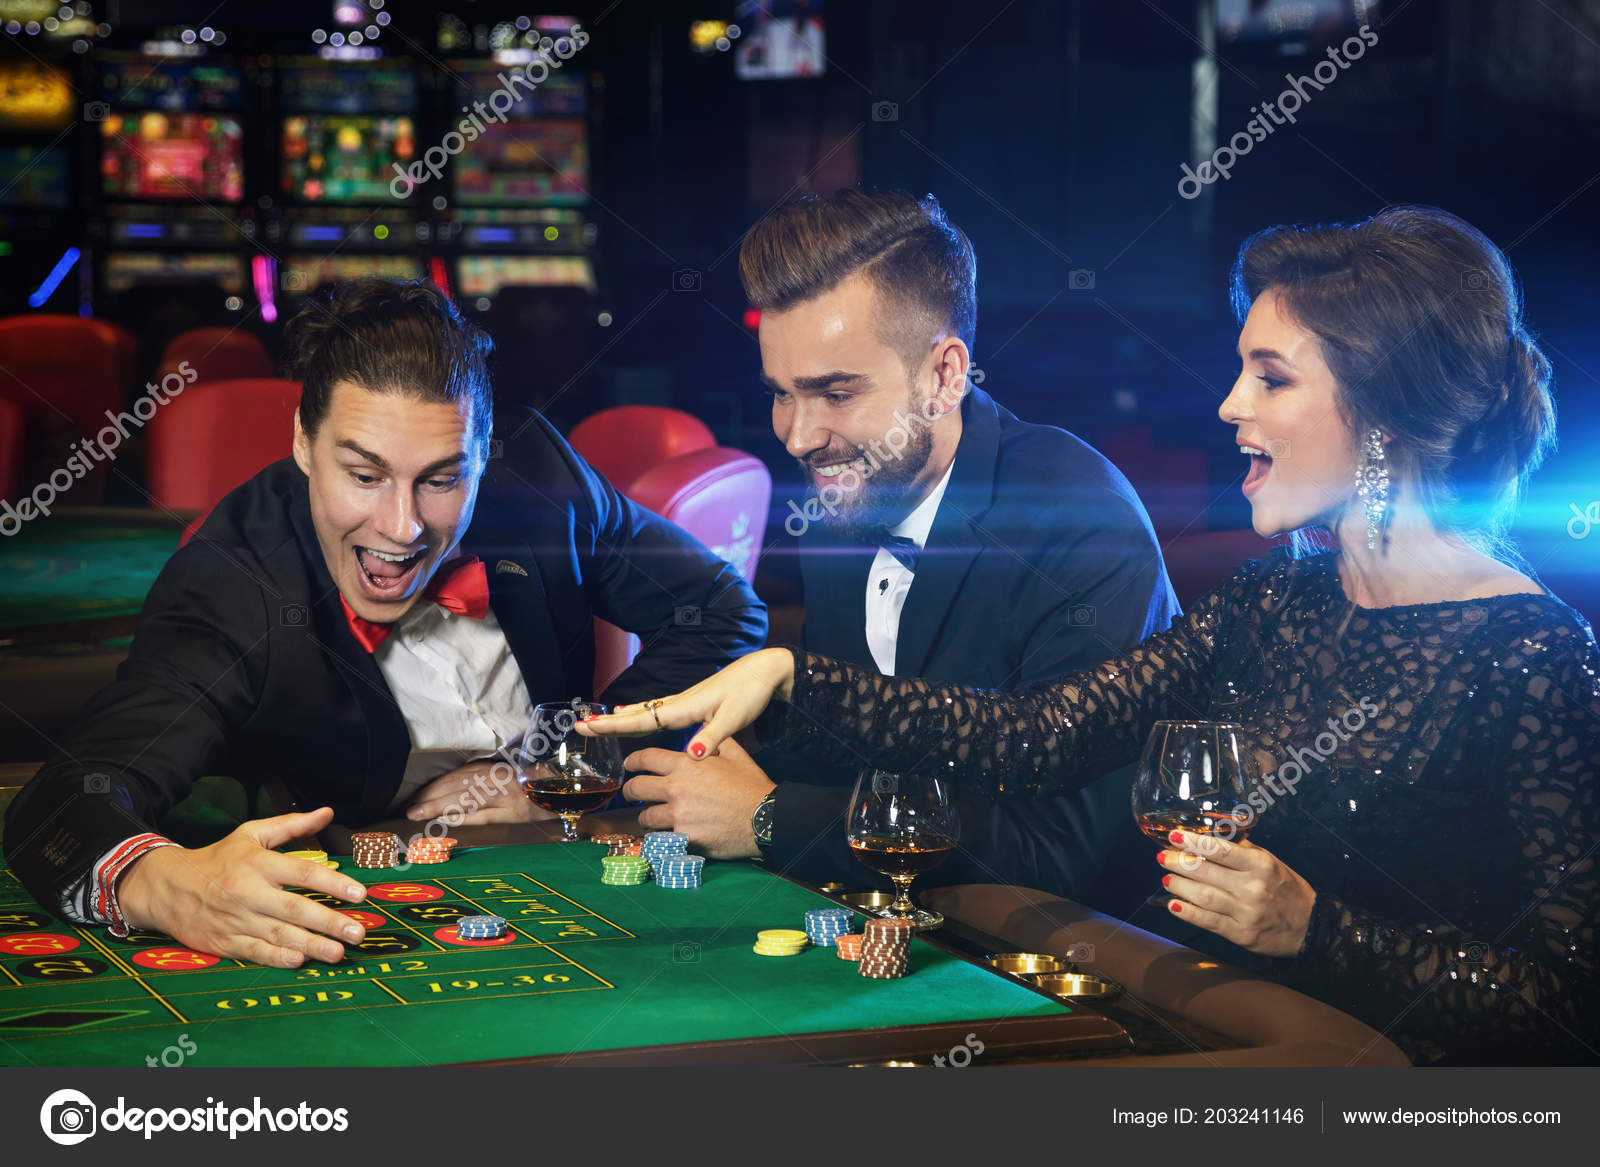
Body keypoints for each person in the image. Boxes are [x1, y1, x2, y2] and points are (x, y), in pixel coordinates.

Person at [581, 206, 1599, 1066]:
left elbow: (1566, 1011)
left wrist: (1315, 929)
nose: (1228, 403)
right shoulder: (1275, 598)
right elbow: (1038, 735)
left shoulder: (1538, 661)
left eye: (1271, 378)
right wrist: (792, 675)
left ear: (1382, 408)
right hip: (1221, 1042)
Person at [4, 279, 766, 969]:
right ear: (303, 442)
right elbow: (60, 804)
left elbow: (722, 612)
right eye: (364, 475)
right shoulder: (235, 582)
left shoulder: (538, 480)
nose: (401, 527)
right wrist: (159, 885)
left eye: (441, 479)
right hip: (368, 916)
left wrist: (565, 767)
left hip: (572, 881)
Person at [619, 188, 1178, 903]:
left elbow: (1057, 852)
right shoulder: (849, 490)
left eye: (835, 393)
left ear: (944, 375)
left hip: (1074, 966)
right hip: (893, 920)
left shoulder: (1081, 522)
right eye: (782, 393)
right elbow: (848, 761)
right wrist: (703, 766)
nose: (797, 435)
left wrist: (767, 816)